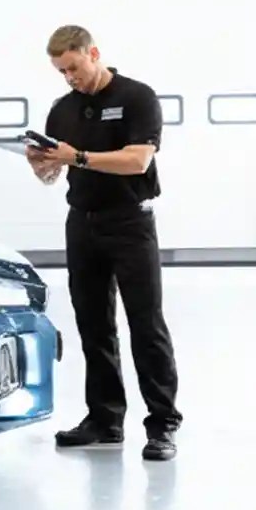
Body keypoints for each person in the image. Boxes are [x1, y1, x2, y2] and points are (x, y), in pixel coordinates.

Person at [27, 24, 183, 461]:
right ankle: (105, 420)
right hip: (83, 224)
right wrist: (41, 164)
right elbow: (54, 174)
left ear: (93, 53)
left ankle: (162, 424)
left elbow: (137, 160)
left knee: (146, 325)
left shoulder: (137, 97)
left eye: (73, 67)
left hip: (130, 223)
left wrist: (76, 156)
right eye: (61, 71)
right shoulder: (62, 110)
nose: (69, 78)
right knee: (93, 326)